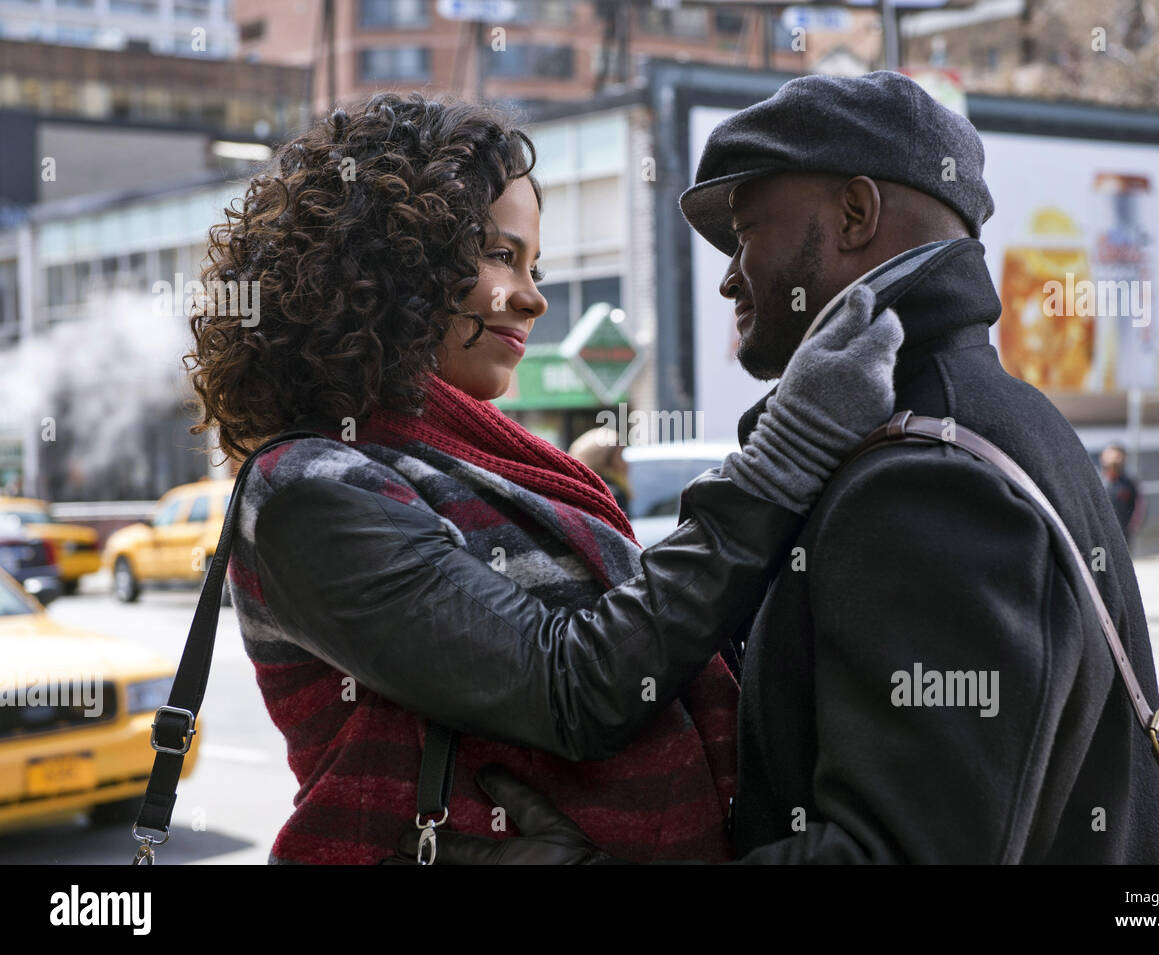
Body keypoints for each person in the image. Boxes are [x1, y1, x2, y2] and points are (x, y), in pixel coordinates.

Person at [436, 71, 1159, 864]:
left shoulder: (926, 477)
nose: (727, 275)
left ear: (856, 213)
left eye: (747, 231)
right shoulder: (991, 420)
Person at [184, 91, 904, 863]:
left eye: (534, 263)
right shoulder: (309, 490)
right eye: (500, 255)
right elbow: (575, 684)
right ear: (389, 261)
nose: (533, 297)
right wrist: (788, 451)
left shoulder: (494, 461)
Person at [568, 426, 631, 516]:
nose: (626, 463)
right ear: (604, 461)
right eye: (620, 456)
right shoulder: (612, 494)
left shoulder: (581, 490)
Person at [1100, 442, 1144, 546]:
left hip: (1122, 535)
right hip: (1100, 535)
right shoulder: (1097, 481)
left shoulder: (1129, 482)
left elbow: (1140, 506)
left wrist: (1131, 527)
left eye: (1117, 457)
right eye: (1110, 456)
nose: (1113, 460)